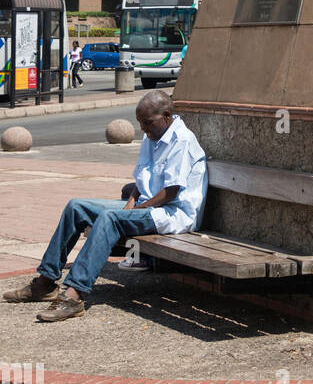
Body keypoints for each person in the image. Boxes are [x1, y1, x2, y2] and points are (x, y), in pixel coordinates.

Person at [3, 90, 208, 321]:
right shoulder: (153, 135)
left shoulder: (181, 140)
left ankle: (74, 295)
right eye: (140, 123)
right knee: (76, 207)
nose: (143, 129)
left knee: (110, 219)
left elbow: (170, 192)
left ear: (167, 116)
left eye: (147, 123)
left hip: (171, 214)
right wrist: (129, 208)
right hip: (146, 208)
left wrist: (133, 212)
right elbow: (141, 181)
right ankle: (45, 282)